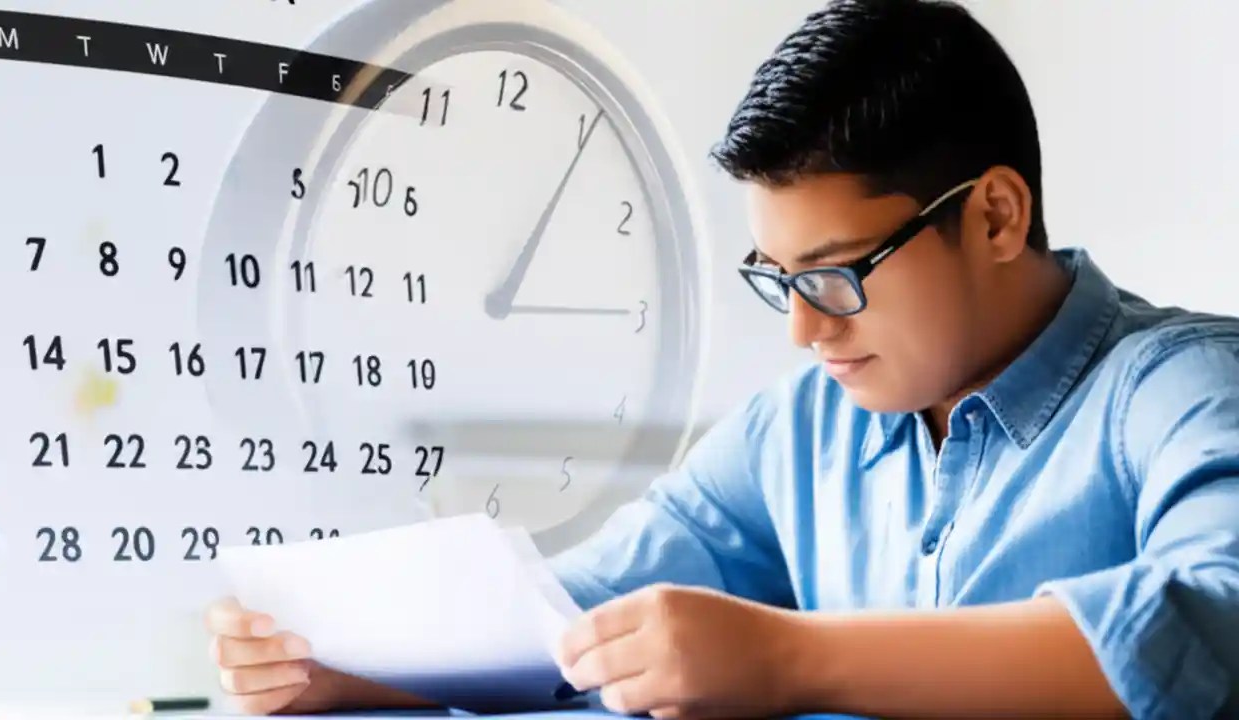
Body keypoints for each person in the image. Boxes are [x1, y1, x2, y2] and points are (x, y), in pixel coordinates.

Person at [203, 0, 1239, 717]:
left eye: (835, 274)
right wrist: (346, 670)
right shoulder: (802, 428)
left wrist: (791, 658)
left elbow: (1200, 621)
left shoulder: (1182, 387)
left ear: (996, 215)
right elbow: (575, 623)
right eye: (778, 278)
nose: (805, 331)